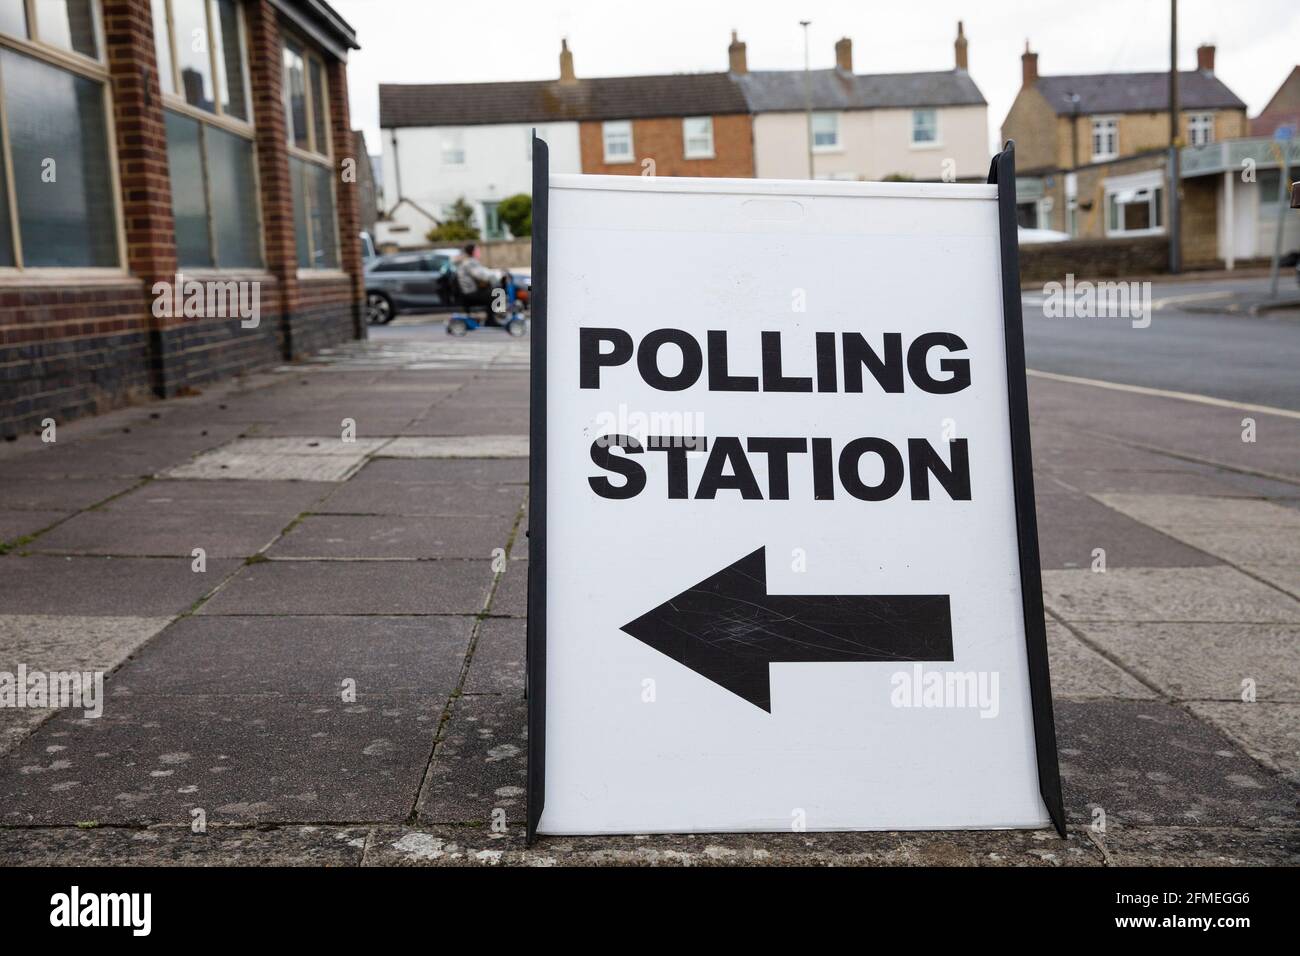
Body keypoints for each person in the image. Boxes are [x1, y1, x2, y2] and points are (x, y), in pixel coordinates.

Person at [455, 243, 505, 320]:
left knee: (493, 291)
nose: (479, 252)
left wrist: (495, 273)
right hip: (470, 294)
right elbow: (481, 275)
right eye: (477, 250)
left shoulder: (470, 262)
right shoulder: (470, 263)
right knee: (498, 292)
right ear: (472, 252)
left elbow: (484, 271)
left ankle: (493, 317)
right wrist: (497, 276)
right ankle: (493, 318)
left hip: (469, 292)